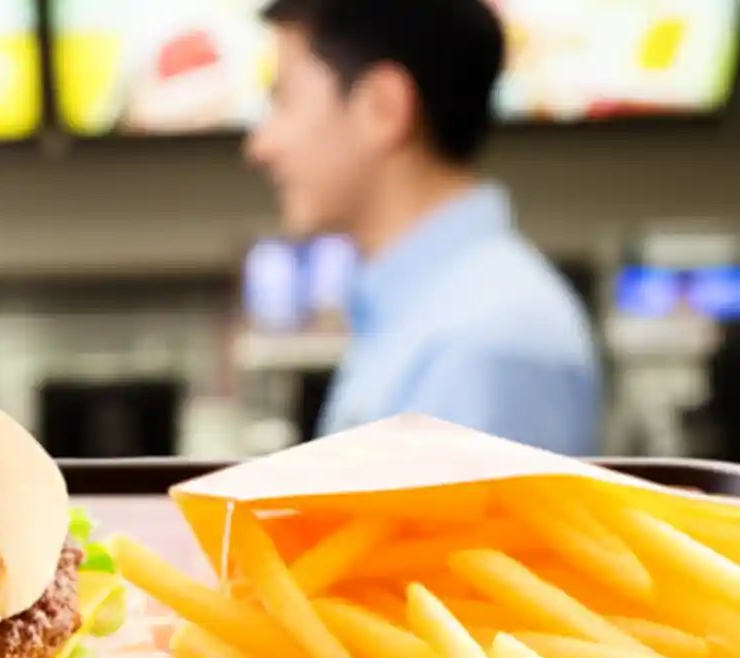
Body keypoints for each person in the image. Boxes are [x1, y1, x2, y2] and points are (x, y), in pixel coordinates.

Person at [246, 0, 599, 454]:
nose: (260, 146)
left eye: (283, 100)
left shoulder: (482, 340)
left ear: (384, 107)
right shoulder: (427, 317)